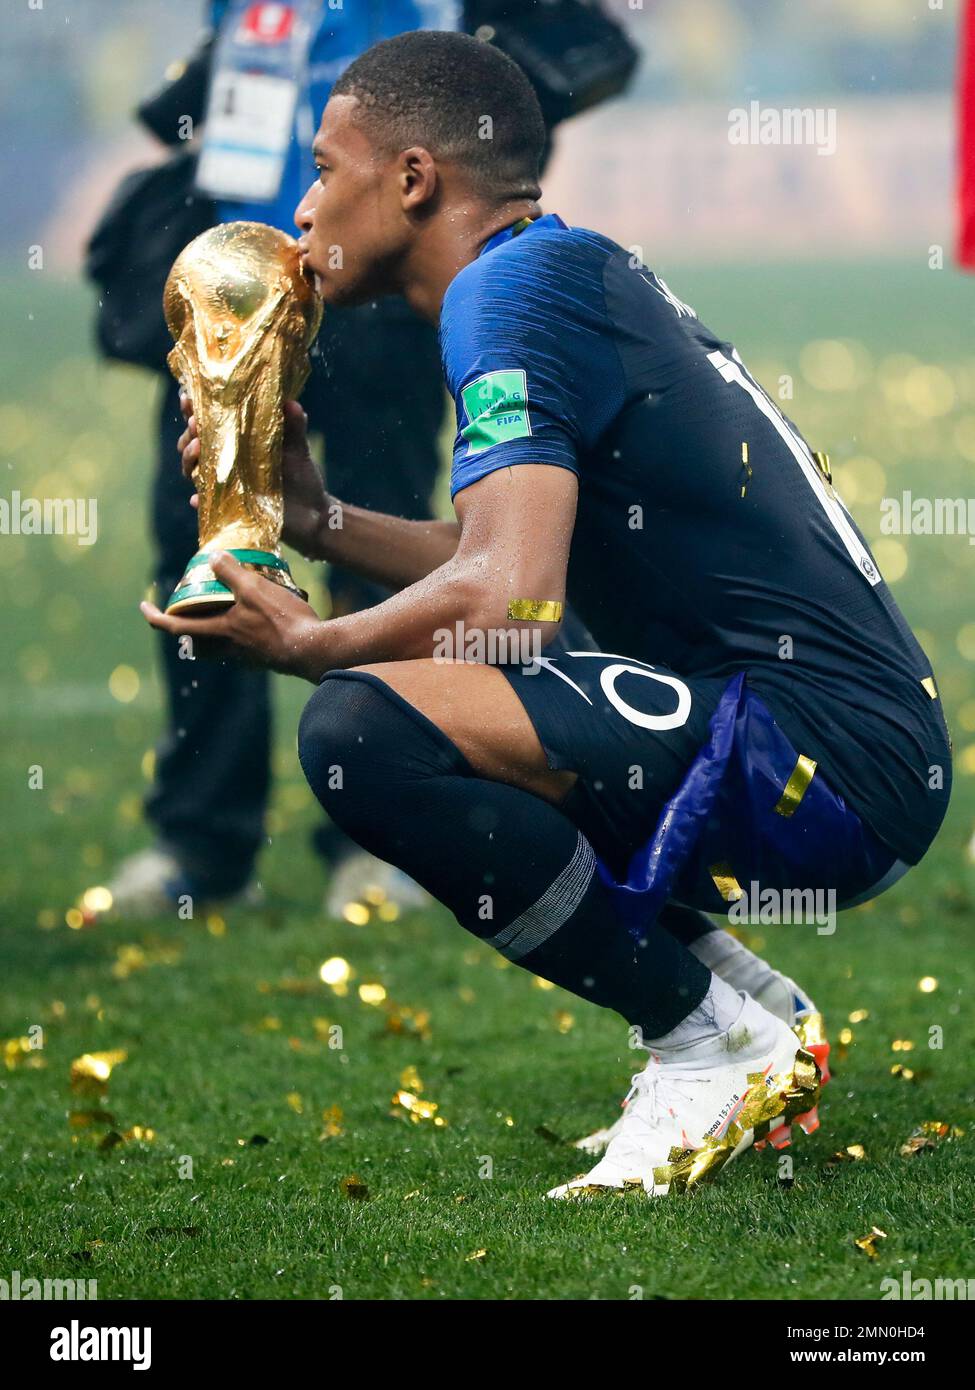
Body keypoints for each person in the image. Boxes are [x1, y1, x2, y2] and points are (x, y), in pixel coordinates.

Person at [143, 30, 951, 1197]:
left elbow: (510, 602)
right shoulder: (549, 272)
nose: (306, 206)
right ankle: (746, 1013)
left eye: (326, 168)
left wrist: (312, 645)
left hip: (822, 764)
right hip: (835, 746)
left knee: (362, 733)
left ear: (414, 179)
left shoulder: (503, 297)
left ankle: (700, 1038)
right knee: (441, 709)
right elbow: (505, 561)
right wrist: (317, 517)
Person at [100, 0, 632, 923]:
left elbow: (533, 56)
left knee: (371, 540)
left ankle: (372, 835)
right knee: (200, 546)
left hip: (377, 274)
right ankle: (200, 840)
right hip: (232, 275)